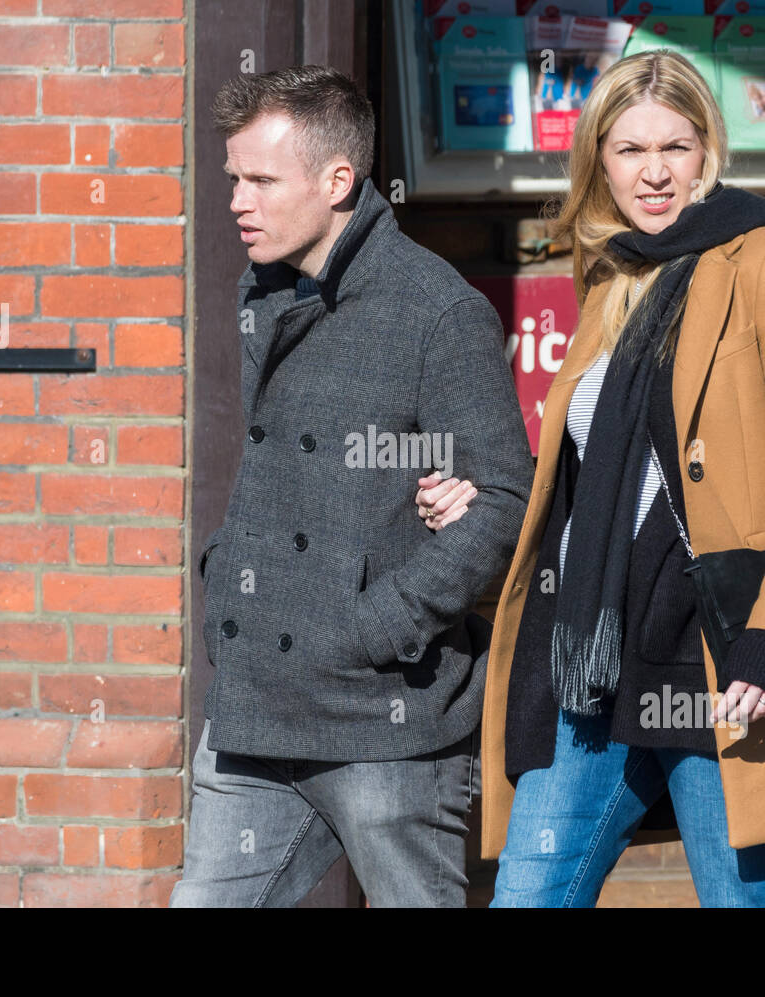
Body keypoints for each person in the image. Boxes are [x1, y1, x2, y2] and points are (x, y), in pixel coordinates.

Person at [417, 50, 765, 907]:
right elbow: (604, 460)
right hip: (591, 652)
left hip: (716, 657)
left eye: (673, 148)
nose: (653, 172)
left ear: (707, 150)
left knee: (741, 901)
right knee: (526, 895)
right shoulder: (616, 271)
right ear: (598, 159)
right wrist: (485, 500)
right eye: (630, 149)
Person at [170, 65, 534, 908]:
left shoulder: (435, 310)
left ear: (339, 181)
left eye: (262, 180)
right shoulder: (266, 286)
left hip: (384, 724)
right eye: (235, 178)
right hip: (257, 706)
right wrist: (228, 576)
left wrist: (378, 621)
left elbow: (504, 502)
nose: (239, 201)